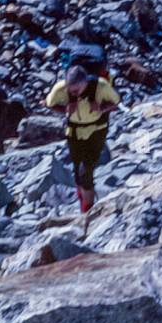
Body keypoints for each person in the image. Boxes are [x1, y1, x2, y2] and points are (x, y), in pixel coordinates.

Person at [46, 64, 120, 213]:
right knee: (77, 171)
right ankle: (83, 205)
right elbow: (49, 103)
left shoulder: (101, 86)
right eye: (70, 90)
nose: (73, 93)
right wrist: (65, 109)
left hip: (96, 130)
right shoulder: (62, 88)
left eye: (76, 90)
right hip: (74, 131)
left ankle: (88, 211)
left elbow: (116, 102)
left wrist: (101, 108)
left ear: (85, 82)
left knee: (86, 171)